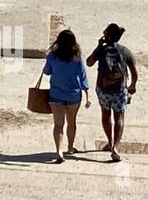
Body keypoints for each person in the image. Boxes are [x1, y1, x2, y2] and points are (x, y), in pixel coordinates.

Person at [86, 23, 139, 162]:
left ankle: (109, 142)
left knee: (105, 115)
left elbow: (89, 62)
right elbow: (134, 73)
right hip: (120, 90)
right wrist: (132, 85)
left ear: (106, 35)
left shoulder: (102, 50)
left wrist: (98, 46)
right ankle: (115, 146)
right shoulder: (125, 51)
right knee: (119, 118)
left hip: (103, 90)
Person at [41, 29, 90, 163]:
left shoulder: (52, 56)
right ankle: (70, 147)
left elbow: (46, 72)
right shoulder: (77, 57)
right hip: (74, 95)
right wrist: (87, 95)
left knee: (58, 125)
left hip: (56, 95)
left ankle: (59, 151)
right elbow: (83, 76)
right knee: (71, 122)